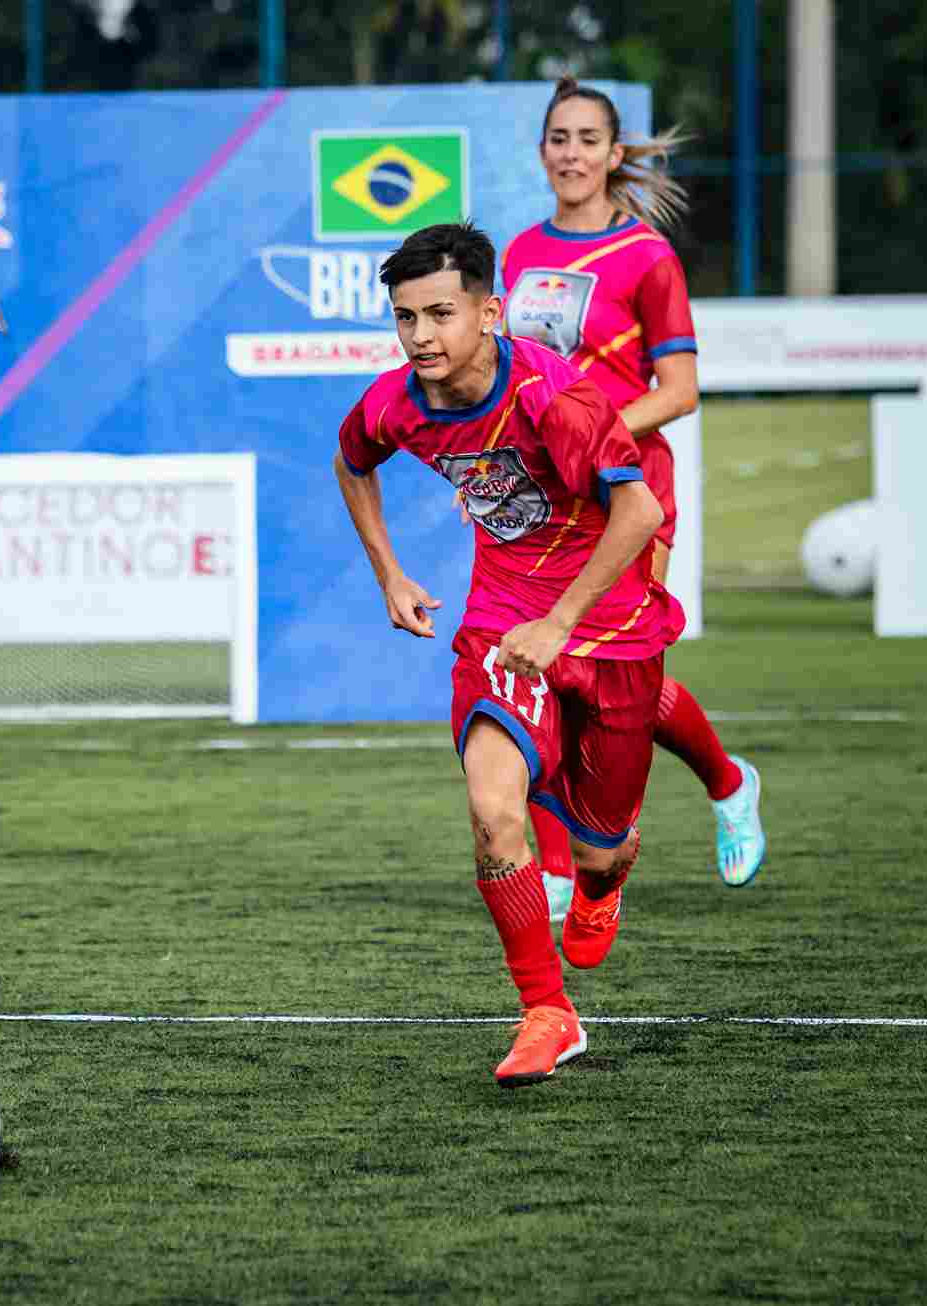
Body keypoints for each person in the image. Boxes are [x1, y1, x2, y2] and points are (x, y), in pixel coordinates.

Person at [333, 221, 680, 1087]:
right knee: (494, 812)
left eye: (440, 314)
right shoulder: (395, 403)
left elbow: (639, 515)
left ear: (489, 312)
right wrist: (391, 576)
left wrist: (561, 622)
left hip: (609, 629)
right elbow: (351, 461)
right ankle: (547, 1013)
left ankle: (603, 880)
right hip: (498, 621)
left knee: (600, 847)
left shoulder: (555, 399)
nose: (421, 336)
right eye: (406, 318)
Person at [501, 77, 767, 917]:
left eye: (588, 139)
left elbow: (680, 390)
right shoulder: (517, 254)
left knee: (618, 665)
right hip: (548, 496)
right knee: (550, 663)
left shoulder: (648, 258)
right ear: (543, 151)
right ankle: (554, 862)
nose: (571, 153)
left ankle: (728, 785)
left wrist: (588, 425)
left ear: (614, 156)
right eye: (558, 137)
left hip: (628, 490)